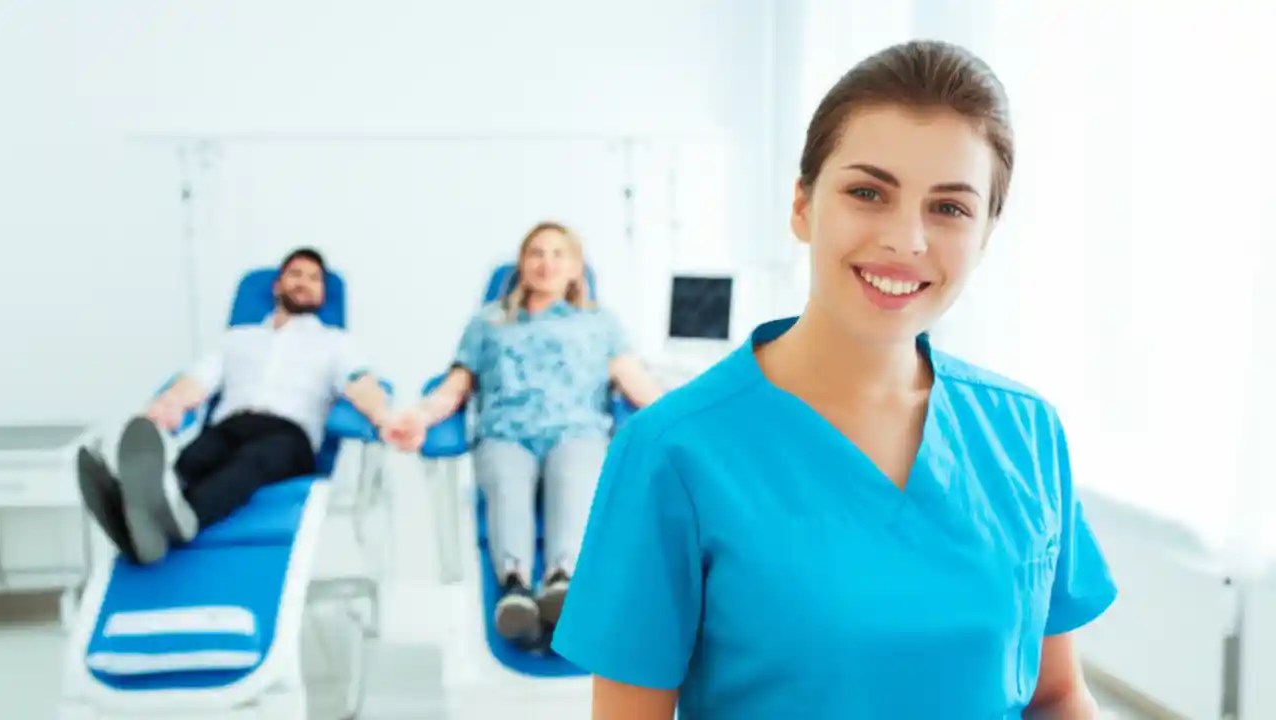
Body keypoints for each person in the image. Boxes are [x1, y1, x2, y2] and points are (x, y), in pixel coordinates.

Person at [550, 40, 1119, 719]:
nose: (906, 239)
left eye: (950, 208)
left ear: (986, 234)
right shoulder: (673, 452)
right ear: (802, 204)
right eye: (867, 192)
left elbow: (1056, 697)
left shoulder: (1025, 434)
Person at [385, 221, 662, 647]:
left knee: (574, 479)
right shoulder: (488, 323)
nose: (545, 263)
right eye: (536, 253)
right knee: (507, 488)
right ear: (521, 264)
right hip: (505, 433)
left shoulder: (599, 324)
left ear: (576, 269)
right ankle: (514, 587)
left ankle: (561, 582)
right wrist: (418, 417)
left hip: (576, 430)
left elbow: (637, 384)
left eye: (558, 254)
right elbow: (455, 387)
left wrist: (694, 417)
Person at [77, 247, 392, 565]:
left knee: (249, 463)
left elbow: (360, 384)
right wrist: (165, 407)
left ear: (323, 293)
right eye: (295, 274)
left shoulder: (336, 343)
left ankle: (178, 520)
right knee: (194, 459)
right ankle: (139, 526)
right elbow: (196, 383)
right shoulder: (236, 339)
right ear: (277, 286)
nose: (304, 282)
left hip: (289, 437)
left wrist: (383, 419)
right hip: (229, 427)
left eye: (314, 278)